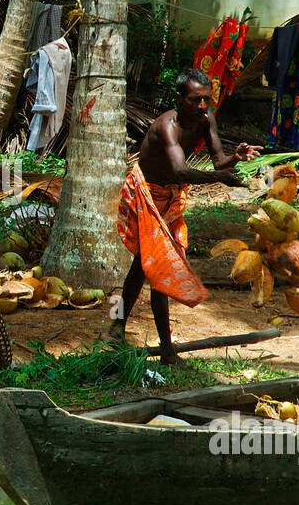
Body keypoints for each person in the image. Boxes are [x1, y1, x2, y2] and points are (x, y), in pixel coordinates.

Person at [110, 68, 261, 363]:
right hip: (147, 194)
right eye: (195, 100)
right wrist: (221, 179)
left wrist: (235, 157)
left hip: (172, 196)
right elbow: (180, 170)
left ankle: (116, 326)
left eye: (206, 99)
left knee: (143, 266)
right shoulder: (168, 127)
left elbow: (219, 160)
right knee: (158, 267)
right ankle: (167, 350)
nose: (202, 106)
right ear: (180, 99)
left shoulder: (206, 120)